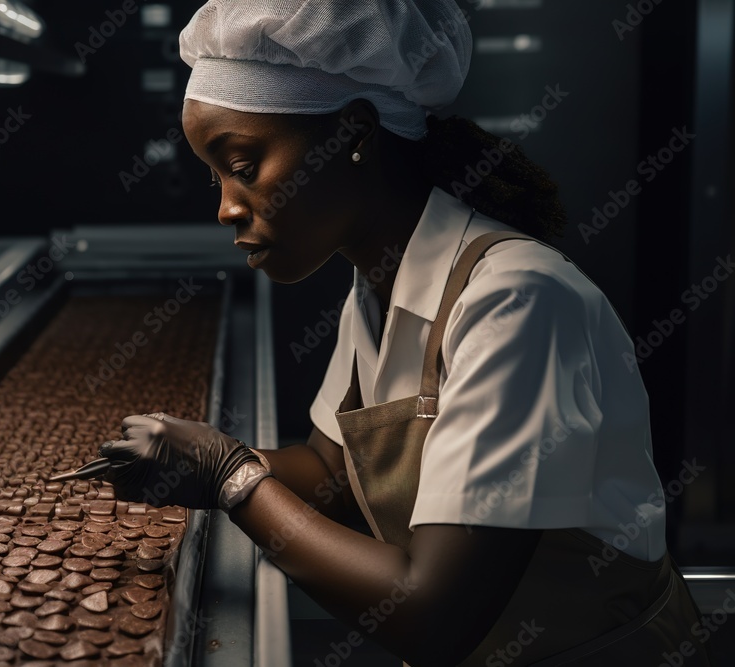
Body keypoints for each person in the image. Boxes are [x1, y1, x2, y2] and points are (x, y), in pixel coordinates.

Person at [97, 1, 711, 664]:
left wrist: (231, 477)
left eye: (242, 166)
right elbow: (332, 471)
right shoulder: (376, 287)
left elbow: (431, 613)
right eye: (214, 177)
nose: (225, 207)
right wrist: (185, 464)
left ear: (354, 131)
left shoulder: (516, 303)